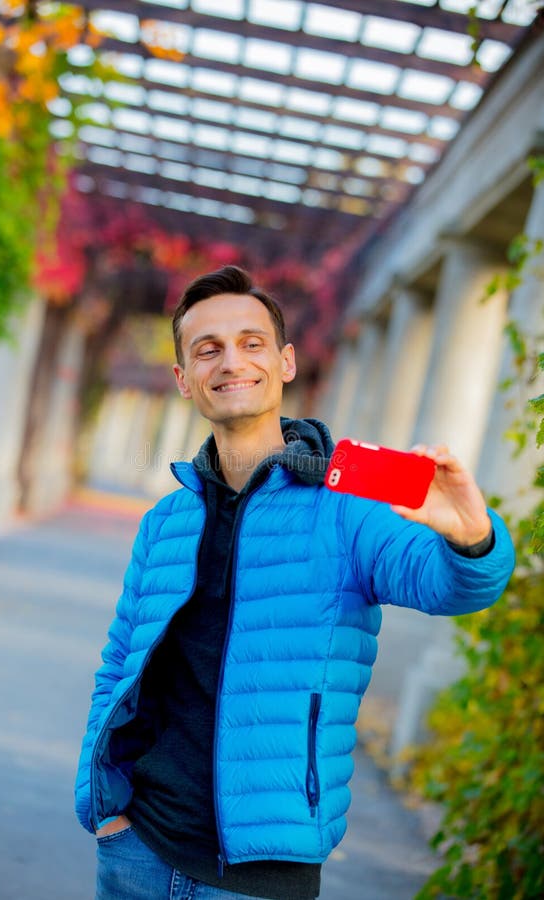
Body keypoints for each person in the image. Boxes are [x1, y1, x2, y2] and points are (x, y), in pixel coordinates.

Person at [75, 265, 515, 900]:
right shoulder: (165, 522)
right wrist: (104, 808)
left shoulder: (348, 509)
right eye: (208, 349)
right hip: (137, 852)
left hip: (263, 878)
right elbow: (119, 661)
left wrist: (472, 534)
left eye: (251, 343)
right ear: (183, 379)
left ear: (284, 363)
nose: (232, 361)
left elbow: (454, 586)